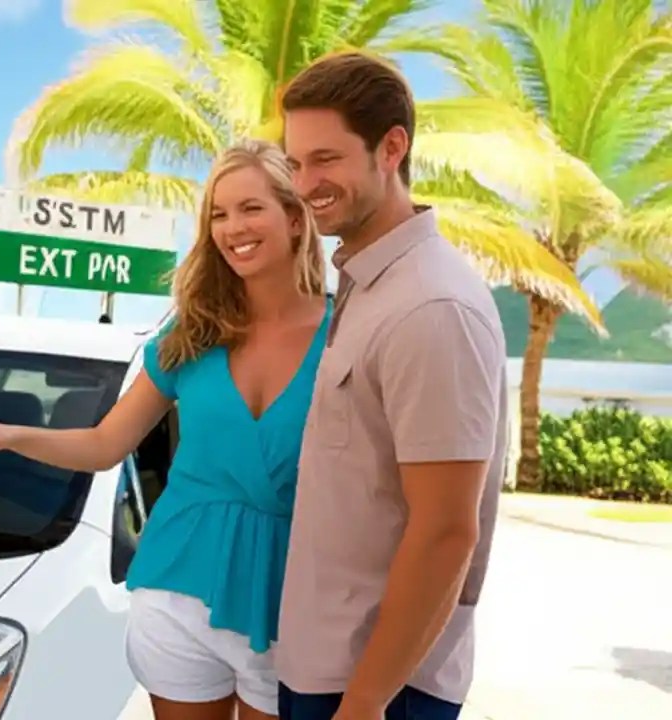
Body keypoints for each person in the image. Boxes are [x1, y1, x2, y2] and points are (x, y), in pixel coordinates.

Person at [0, 139, 329, 720]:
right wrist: (8, 435)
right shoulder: (192, 331)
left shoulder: (346, 334)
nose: (233, 229)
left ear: (295, 218)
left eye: (251, 208)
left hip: (289, 596)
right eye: (219, 214)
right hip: (176, 589)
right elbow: (106, 444)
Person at [275, 51, 509, 720]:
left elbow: (446, 532)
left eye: (326, 159)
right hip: (328, 666)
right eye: (295, 164)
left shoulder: (432, 307)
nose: (306, 184)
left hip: (376, 688)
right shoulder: (370, 285)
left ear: (392, 148)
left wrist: (365, 701)